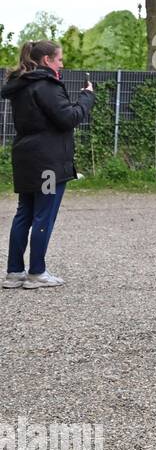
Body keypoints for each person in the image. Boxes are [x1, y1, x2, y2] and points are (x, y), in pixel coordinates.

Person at [3, 41, 94, 289]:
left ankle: (14, 273)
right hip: (48, 162)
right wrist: (86, 97)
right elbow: (68, 118)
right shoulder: (46, 85)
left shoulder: (21, 85)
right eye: (59, 60)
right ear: (46, 60)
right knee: (44, 215)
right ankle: (36, 273)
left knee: (24, 214)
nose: (62, 64)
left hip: (26, 157)